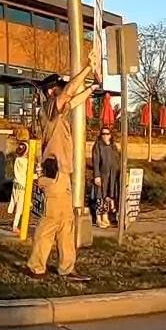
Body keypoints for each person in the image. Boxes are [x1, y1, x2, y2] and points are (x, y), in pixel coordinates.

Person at [26, 51, 98, 281]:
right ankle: (36, 266)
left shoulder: (59, 113)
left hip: (62, 175)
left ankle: (67, 267)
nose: (63, 90)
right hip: (54, 176)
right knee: (51, 222)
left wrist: (92, 89)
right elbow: (69, 93)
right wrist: (87, 68)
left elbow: (74, 100)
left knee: (66, 223)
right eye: (59, 87)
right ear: (51, 91)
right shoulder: (49, 109)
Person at [92, 126, 121, 229]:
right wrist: (96, 175)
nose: (105, 136)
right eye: (103, 134)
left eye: (107, 134)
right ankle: (98, 219)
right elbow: (95, 162)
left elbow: (117, 159)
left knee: (108, 196)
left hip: (112, 176)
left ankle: (105, 216)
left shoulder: (113, 146)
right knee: (100, 196)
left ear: (110, 135)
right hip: (102, 175)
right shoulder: (97, 146)